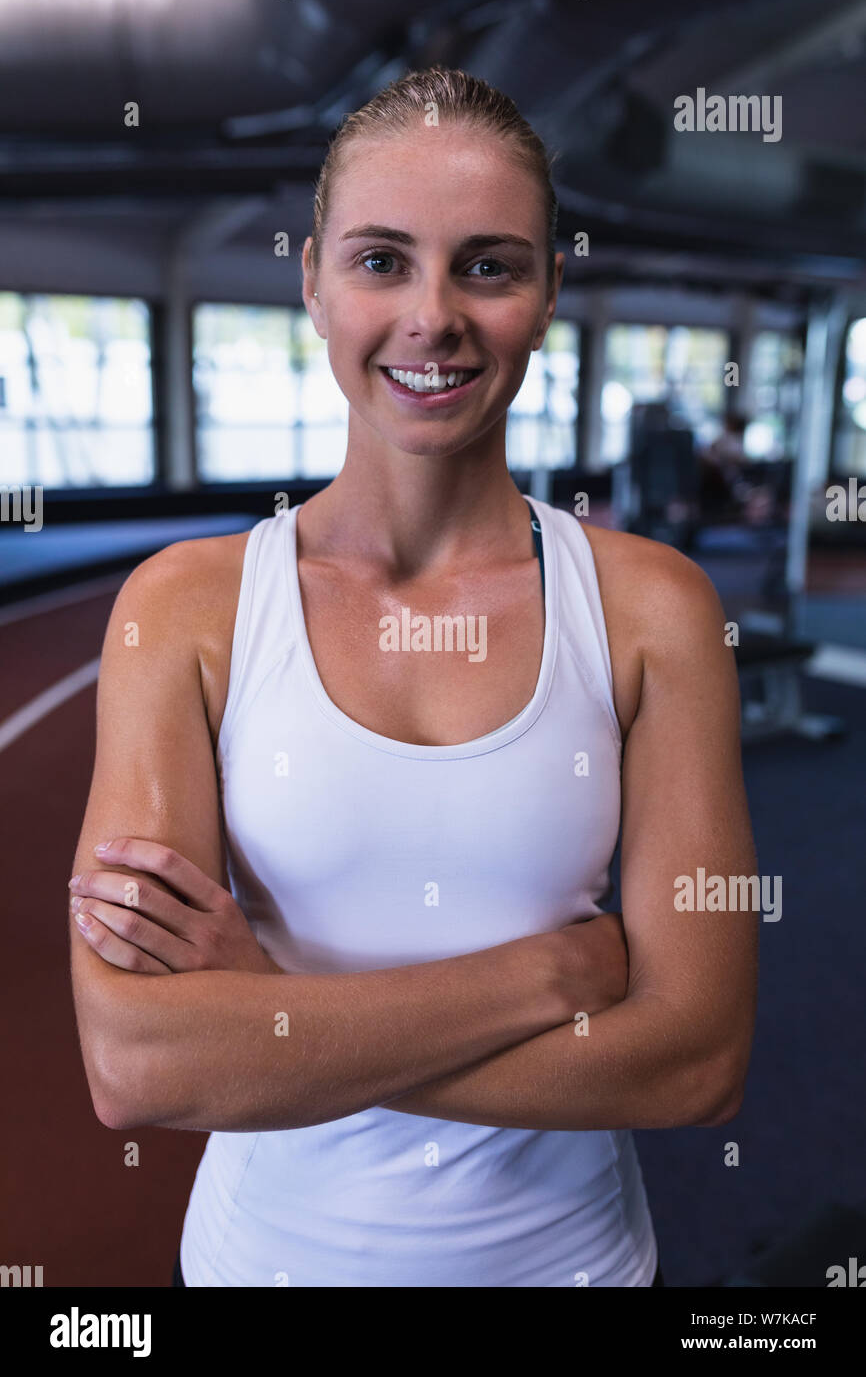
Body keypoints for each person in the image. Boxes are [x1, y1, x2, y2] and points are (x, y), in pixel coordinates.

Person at [68, 66, 758, 1288]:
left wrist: (271, 1020)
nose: (430, 315)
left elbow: (692, 1065)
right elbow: (139, 1069)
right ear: (313, 284)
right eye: (380, 260)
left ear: (547, 293)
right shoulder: (184, 609)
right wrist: (542, 975)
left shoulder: (654, 610)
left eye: (487, 265)